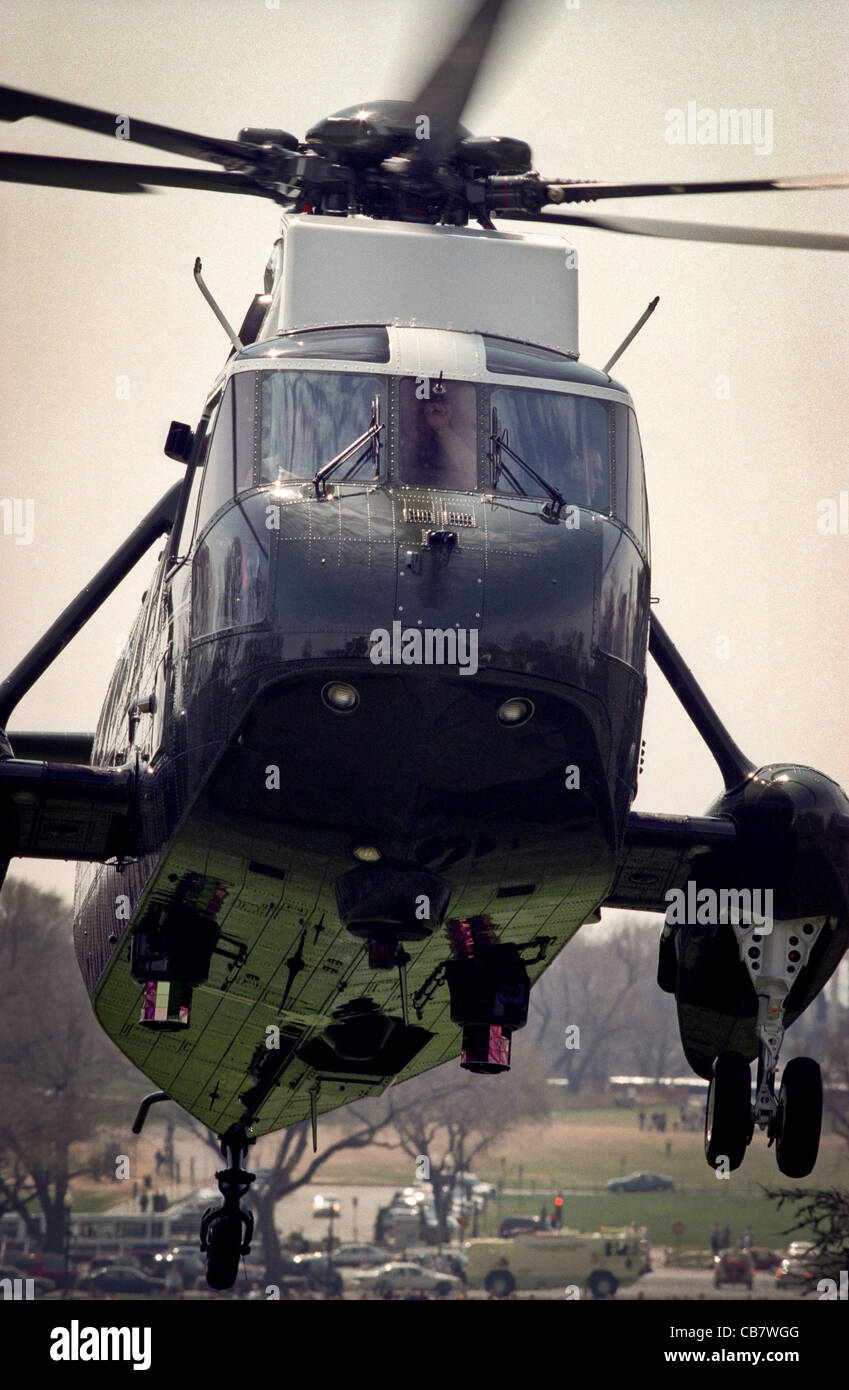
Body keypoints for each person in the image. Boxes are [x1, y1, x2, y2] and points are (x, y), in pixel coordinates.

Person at [403, 387, 477, 490]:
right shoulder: (397, 445)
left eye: (432, 411)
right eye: (421, 411)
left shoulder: (457, 441)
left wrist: (443, 429)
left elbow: (473, 475)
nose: (426, 419)